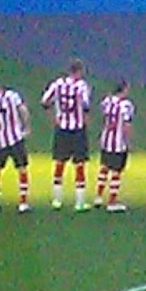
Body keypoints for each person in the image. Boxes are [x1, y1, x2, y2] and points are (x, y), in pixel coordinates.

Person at [41, 59, 92, 212]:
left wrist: (54, 117)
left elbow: (44, 102)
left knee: (59, 163)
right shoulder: (82, 86)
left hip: (61, 128)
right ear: (79, 71)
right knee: (80, 165)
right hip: (77, 130)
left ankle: (57, 200)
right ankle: (79, 202)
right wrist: (84, 121)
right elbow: (86, 106)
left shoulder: (57, 84)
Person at [0, 77, 32, 214]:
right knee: (22, 169)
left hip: (0, 142)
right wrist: (26, 127)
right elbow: (23, 111)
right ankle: (23, 202)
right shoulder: (12, 96)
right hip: (16, 138)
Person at [96, 81, 133, 212]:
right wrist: (128, 141)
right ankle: (112, 200)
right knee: (116, 171)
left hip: (106, 140)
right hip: (118, 143)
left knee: (104, 168)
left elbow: (104, 116)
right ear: (123, 90)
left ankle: (98, 196)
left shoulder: (107, 101)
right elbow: (126, 125)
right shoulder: (126, 105)